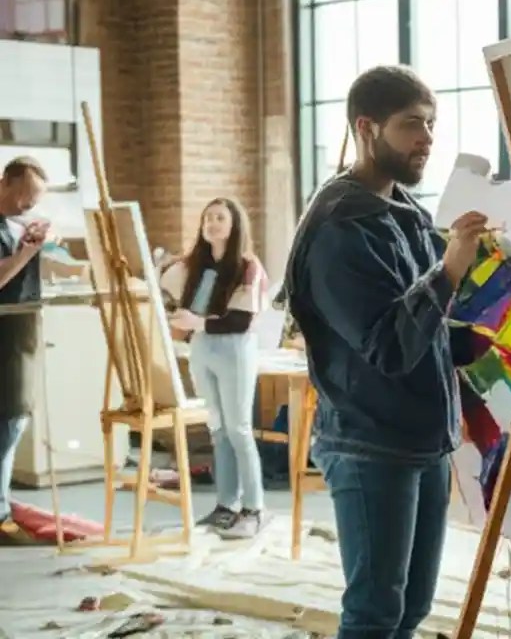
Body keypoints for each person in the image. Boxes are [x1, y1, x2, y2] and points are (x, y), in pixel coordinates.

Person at [282, 64, 489, 638]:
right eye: (412, 125)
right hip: (370, 441)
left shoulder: (405, 212)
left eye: (431, 124)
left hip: (421, 437)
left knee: (411, 609)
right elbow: (388, 345)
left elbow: (429, 327)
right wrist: (450, 268)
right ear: (367, 128)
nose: (427, 139)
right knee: (375, 615)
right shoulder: (339, 227)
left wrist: (496, 317)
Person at [160, 198, 269, 539]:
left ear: (234, 224)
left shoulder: (247, 266)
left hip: (234, 349)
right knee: (218, 429)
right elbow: (167, 288)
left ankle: (254, 508)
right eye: (208, 217)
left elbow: (242, 319)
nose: (212, 223)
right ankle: (226, 505)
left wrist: (198, 323)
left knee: (239, 429)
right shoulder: (195, 265)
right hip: (202, 349)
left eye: (220, 217)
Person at [0, 156, 49, 526]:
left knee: (15, 419)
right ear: (5, 183)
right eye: (26, 195)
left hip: (21, 334)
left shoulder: (14, 226)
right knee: (11, 421)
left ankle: (1, 503)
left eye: (36, 198)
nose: (31, 204)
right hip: (6, 337)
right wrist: (27, 252)